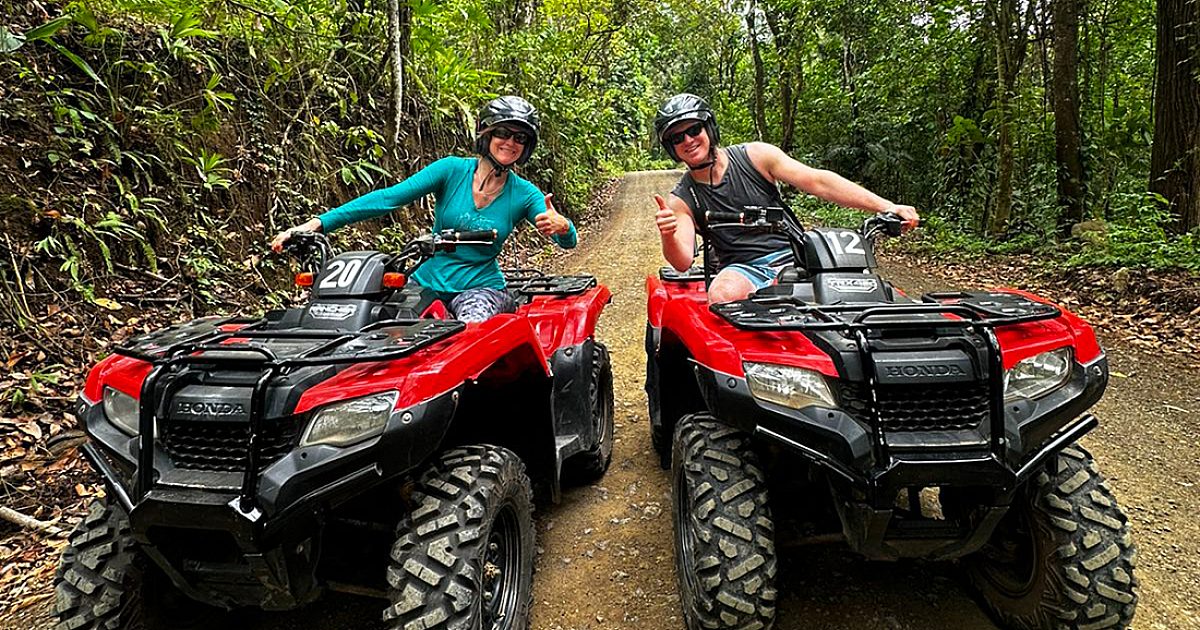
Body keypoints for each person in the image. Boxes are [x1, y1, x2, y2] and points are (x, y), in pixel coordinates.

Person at [271, 95, 577, 322]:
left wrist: (563, 227)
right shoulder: (451, 170)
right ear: (486, 134)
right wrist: (317, 224)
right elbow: (389, 198)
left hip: (480, 288)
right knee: (379, 329)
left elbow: (562, 234)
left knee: (469, 338)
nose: (510, 142)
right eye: (503, 133)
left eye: (520, 137)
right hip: (424, 281)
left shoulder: (524, 194)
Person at [651, 93, 920, 304]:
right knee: (721, 295)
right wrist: (668, 234)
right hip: (743, 268)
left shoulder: (756, 156)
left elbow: (818, 181)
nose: (688, 140)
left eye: (694, 129)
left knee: (861, 299)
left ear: (708, 128)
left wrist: (886, 206)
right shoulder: (683, 198)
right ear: (671, 147)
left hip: (796, 257)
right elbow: (683, 261)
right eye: (677, 137)